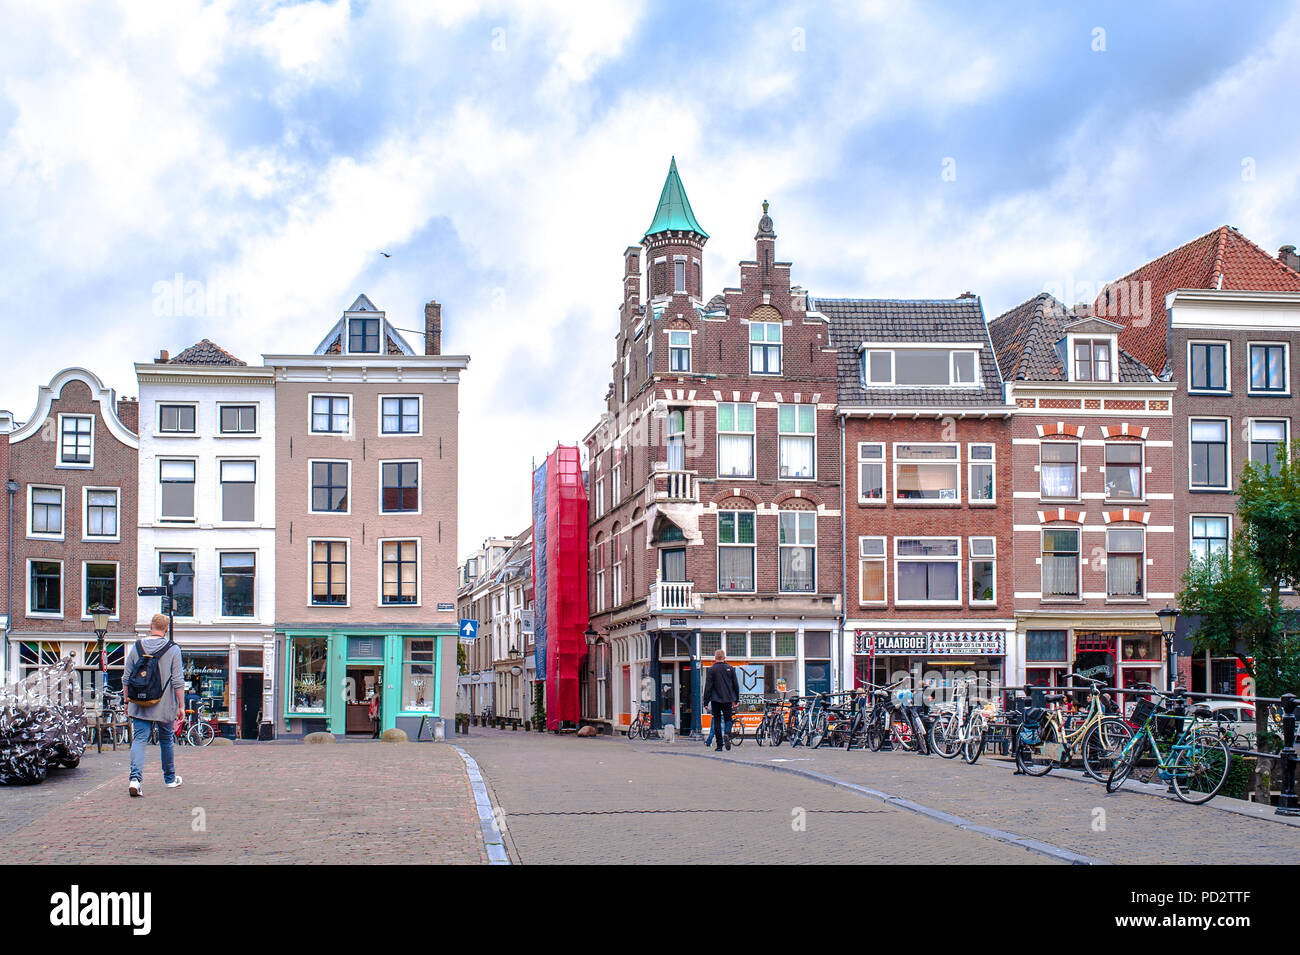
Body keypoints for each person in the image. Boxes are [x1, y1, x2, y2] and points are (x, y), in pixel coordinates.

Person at [124, 613, 185, 796]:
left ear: (151, 626)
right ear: (166, 630)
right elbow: (178, 681)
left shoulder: (137, 647)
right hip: (164, 705)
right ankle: (170, 779)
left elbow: (126, 678)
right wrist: (181, 706)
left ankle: (135, 779)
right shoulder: (173, 649)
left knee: (140, 739)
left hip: (139, 704)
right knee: (166, 739)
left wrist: (127, 701)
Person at [701, 649, 740, 752]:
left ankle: (719, 745)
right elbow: (735, 685)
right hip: (727, 699)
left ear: (715, 658)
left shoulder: (712, 669)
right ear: (724, 657)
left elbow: (708, 687)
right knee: (728, 719)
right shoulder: (730, 668)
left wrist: (705, 701)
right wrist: (736, 699)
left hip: (715, 700)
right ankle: (727, 733)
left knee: (717, 722)